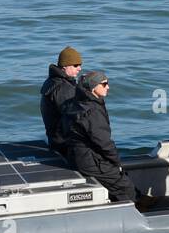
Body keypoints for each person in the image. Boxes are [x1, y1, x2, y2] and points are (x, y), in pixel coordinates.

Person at [58, 69, 139, 203]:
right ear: (93, 87)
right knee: (124, 186)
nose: (108, 86)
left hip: (77, 155)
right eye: (104, 84)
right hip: (90, 161)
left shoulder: (75, 103)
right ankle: (136, 213)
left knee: (119, 178)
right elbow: (103, 142)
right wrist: (116, 162)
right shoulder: (92, 110)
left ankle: (140, 200)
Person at [40, 46, 82, 155]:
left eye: (80, 65)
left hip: (55, 139)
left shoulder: (52, 81)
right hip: (64, 143)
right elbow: (73, 117)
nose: (79, 68)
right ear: (64, 67)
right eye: (76, 65)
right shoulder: (63, 87)